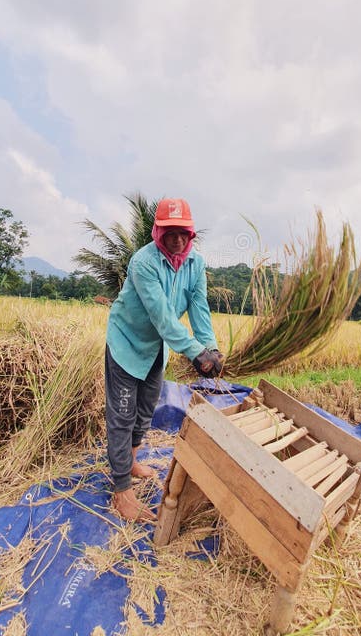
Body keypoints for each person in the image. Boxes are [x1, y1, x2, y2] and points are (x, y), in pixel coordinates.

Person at [104, 198, 223, 521]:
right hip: (127, 343)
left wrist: (211, 348)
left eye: (183, 232)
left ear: (191, 233)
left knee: (145, 411)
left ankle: (129, 460)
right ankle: (121, 490)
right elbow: (163, 318)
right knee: (123, 414)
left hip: (157, 348)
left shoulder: (195, 264)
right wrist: (195, 353)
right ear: (158, 231)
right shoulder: (143, 262)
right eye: (170, 232)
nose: (177, 239)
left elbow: (199, 308)